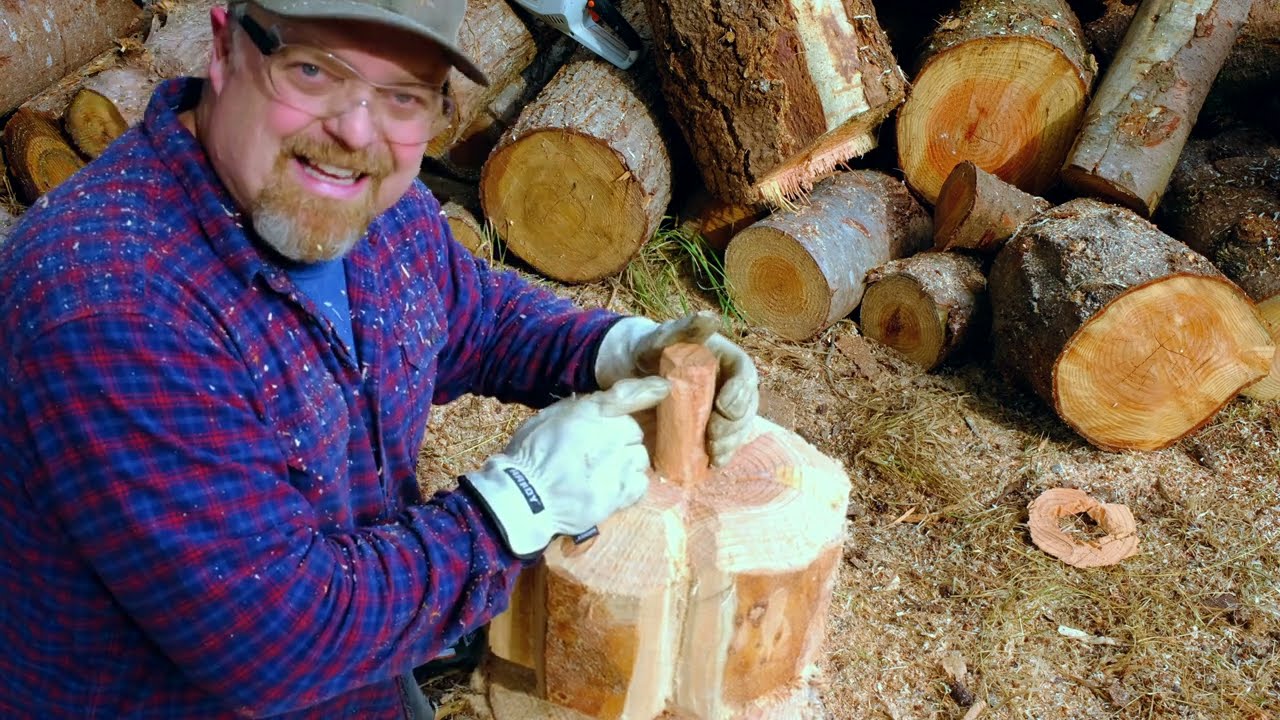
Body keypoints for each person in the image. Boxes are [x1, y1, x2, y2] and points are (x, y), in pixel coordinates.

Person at [0, 1, 759, 718]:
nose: (356, 132)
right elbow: (276, 640)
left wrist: (607, 349)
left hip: (365, 681)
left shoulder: (369, 206)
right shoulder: (111, 301)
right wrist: (513, 510)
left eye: (404, 96)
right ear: (225, 49)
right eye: (314, 71)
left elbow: (470, 316)